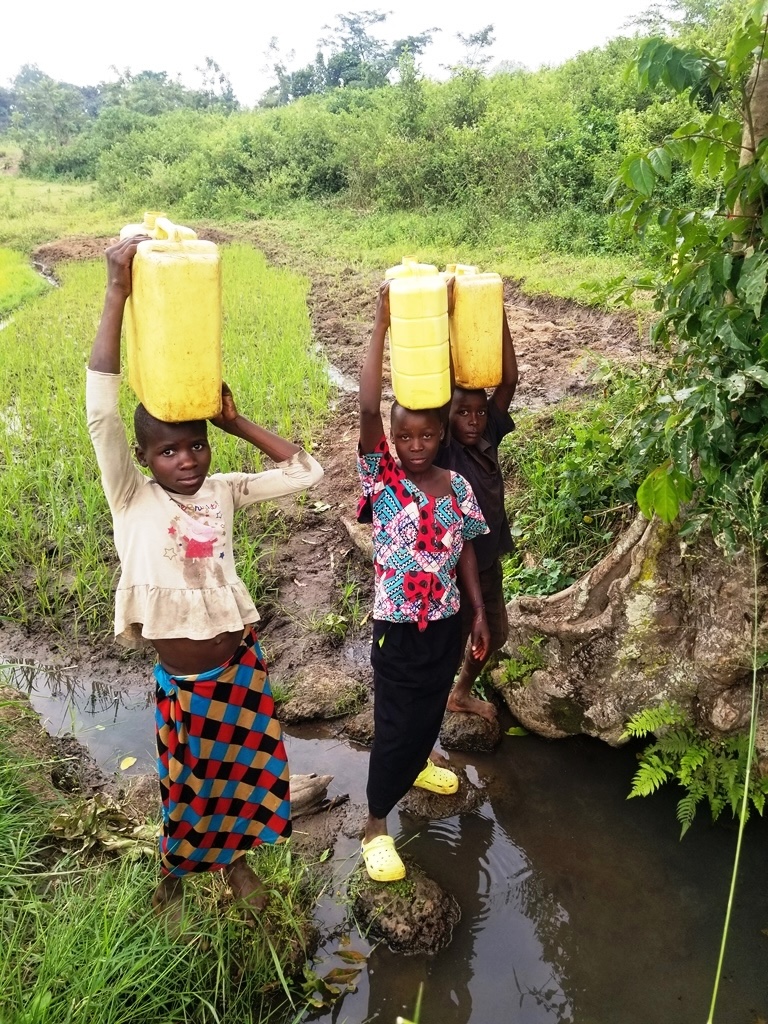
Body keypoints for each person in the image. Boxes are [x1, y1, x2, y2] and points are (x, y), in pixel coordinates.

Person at [86, 236, 324, 928]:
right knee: (188, 787)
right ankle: (177, 870)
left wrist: (234, 418)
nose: (186, 460)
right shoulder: (131, 497)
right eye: (168, 449)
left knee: (244, 779)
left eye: (195, 445)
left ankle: (237, 863)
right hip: (183, 686)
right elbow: (102, 409)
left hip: (238, 670)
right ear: (141, 458)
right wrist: (115, 291)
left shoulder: (220, 490)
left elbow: (305, 471)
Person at [356, 281, 490, 883]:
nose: (414, 446)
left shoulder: (456, 485)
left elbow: (462, 549)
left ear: (441, 436)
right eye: (404, 436)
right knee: (395, 720)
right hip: (398, 626)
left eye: (426, 436)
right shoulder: (384, 480)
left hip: (447, 621)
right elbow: (364, 408)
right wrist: (382, 324)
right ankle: (374, 826)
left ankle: (421, 762)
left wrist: (479, 613)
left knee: (433, 703)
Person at [434, 290, 518, 723]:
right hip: (449, 568)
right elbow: (435, 392)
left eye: (479, 413)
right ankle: (426, 726)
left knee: (494, 634)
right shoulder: (443, 448)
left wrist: (494, 310)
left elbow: (508, 381)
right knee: (448, 642)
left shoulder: (489, 437)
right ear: (445, 417)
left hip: (485, 562)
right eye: (461, 412)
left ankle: (460, 694)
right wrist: (447, 318)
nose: (472, 420)